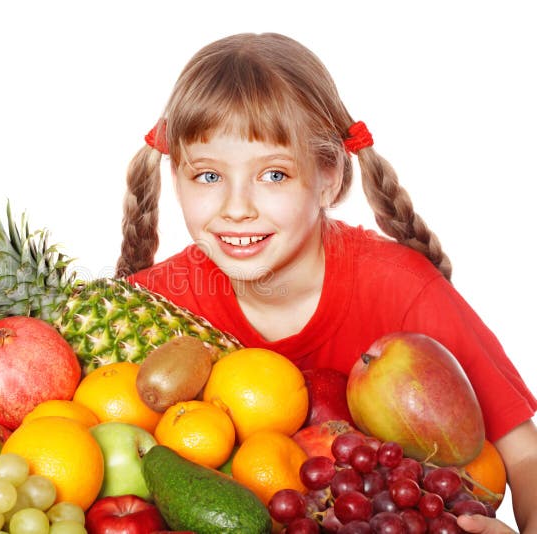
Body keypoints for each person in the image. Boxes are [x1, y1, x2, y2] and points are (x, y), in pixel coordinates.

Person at [117, 33, 536, 533]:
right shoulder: (153, 305)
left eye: (273, 175)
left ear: (329, 178)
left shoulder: (400, 288)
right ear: (175, 177)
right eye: (208, 176)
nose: (236, 207)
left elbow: (525, 455)